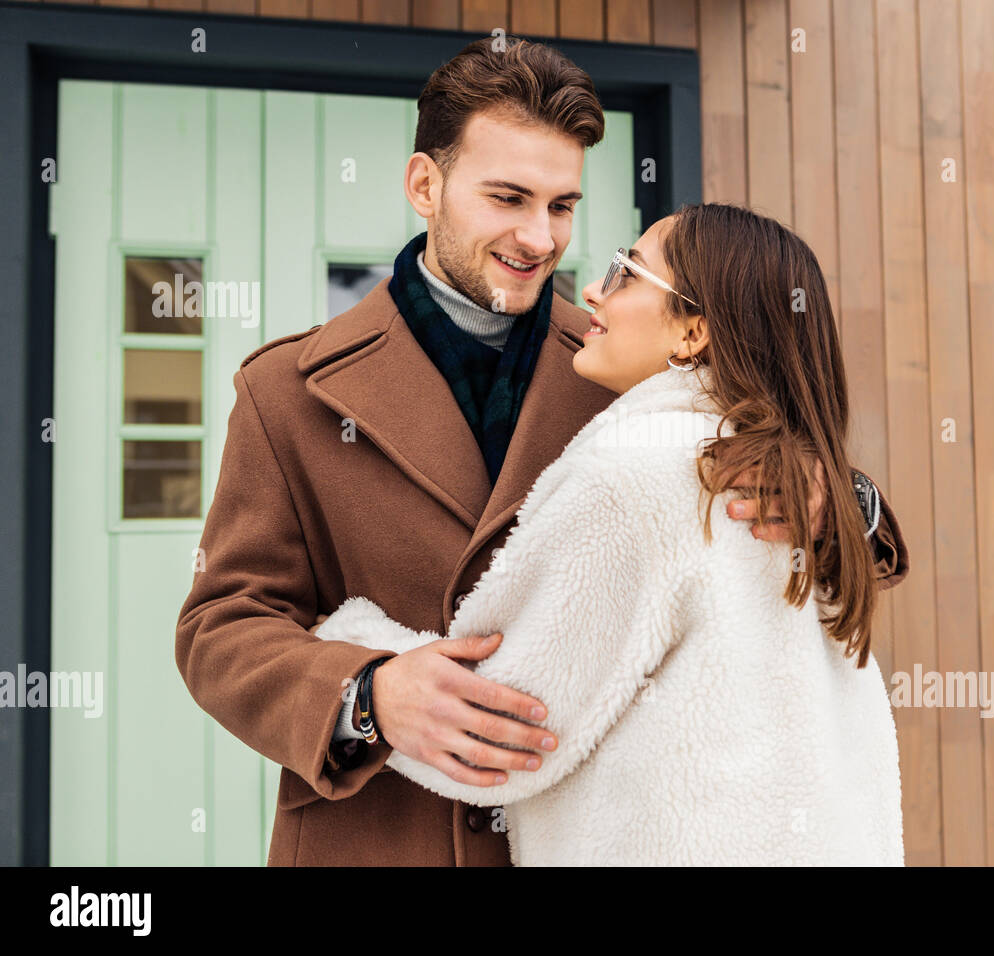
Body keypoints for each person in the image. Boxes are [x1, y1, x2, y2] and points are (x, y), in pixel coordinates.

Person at [175, 36, 908, 867]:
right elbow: (221, 626)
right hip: (381, 836)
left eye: (561, 206)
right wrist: (369, 693)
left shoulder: (625, 362)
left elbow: (780, 548)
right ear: (426, 185)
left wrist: (840, 496)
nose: (539, 236)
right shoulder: (285, 391)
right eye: (508, 197)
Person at [315, 202, 907, 865]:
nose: (592, 289)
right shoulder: (784, 478)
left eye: (626, 272)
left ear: (692, 334)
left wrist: (347, 638)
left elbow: (505, 729)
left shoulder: (639, 473)